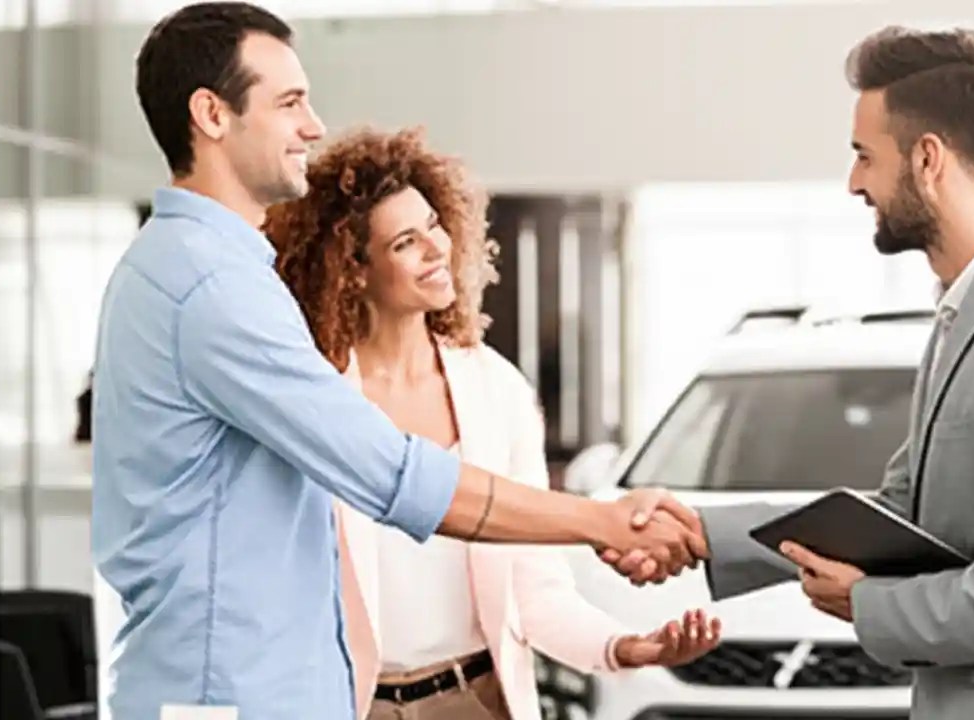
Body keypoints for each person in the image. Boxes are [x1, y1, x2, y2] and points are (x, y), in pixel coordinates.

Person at [90, 4, 704, 719]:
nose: (313, 127)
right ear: (212, 114)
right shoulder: (212, 288)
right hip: (230, 700)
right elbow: (391, 473)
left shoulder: (205, 271)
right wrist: (601, 521)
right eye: (289, 103)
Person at [602, 26, 974, 720]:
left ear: (927, 160)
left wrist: (866, 603)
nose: (854, 182)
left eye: (864, 157)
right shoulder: (970, 317)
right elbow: (899, 515)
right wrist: (708, 532)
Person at [265, 126, 723, 720]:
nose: (437, 249)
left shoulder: (494, 387)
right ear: (351, 269)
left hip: (477, 702)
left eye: (434, 225)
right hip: (347, 706)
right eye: (406, 241)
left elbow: (535, 586)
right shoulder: (315, 400)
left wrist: (623, 647)